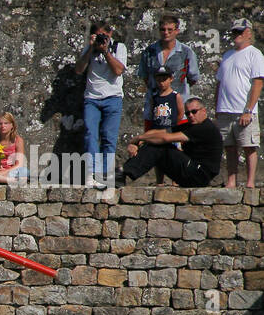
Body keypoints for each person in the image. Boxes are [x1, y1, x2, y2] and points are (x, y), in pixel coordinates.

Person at [118, 97, 222, 188]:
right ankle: (121, 174)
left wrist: (138, 138)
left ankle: (122, 173)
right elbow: (162, 131)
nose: (190, 115)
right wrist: (139, 140)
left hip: (199, 175)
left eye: (194, 111)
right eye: (187, 113)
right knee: (154, 142)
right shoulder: (190, 126)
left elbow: (165, 138)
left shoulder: (205, 128)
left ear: (204, 111)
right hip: (192, 172)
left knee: (161, 146)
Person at [73, 18, 127, 189]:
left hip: (113, 98)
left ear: (110, 34)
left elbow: (118, 70)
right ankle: (91, 174)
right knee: (90, 135)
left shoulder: (119, 48)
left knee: (109, 138)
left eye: (104, 35)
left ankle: (104, 176)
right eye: (98, 35)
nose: (101, 38)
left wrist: (106, 52)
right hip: (92, 98)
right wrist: (90, 49)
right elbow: (79, 69)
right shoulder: (89, 48)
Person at [215, 18, 264, 190]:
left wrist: (248, 110)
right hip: (225, 110)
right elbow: (219, 83)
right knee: (229, 147)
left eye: (240, 32)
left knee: (249, 146)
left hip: (243, 110)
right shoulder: (227, 55)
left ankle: (250, 181)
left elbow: (258, 83)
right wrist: (217, 108)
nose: (236, 35)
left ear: (248, 33)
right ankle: (231, 181)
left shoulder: (254, 54)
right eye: (234, 32)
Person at [137, 14, 199, 131]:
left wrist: (176, 90)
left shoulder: (186, 52)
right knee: (153, 144)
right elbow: (145, 76)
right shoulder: (149, 52)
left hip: (179, 108)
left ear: (177, 31)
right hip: (154, 107)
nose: (166, 32)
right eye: (163, 29)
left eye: (170, 30)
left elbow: (193, 77)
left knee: (179, 145)